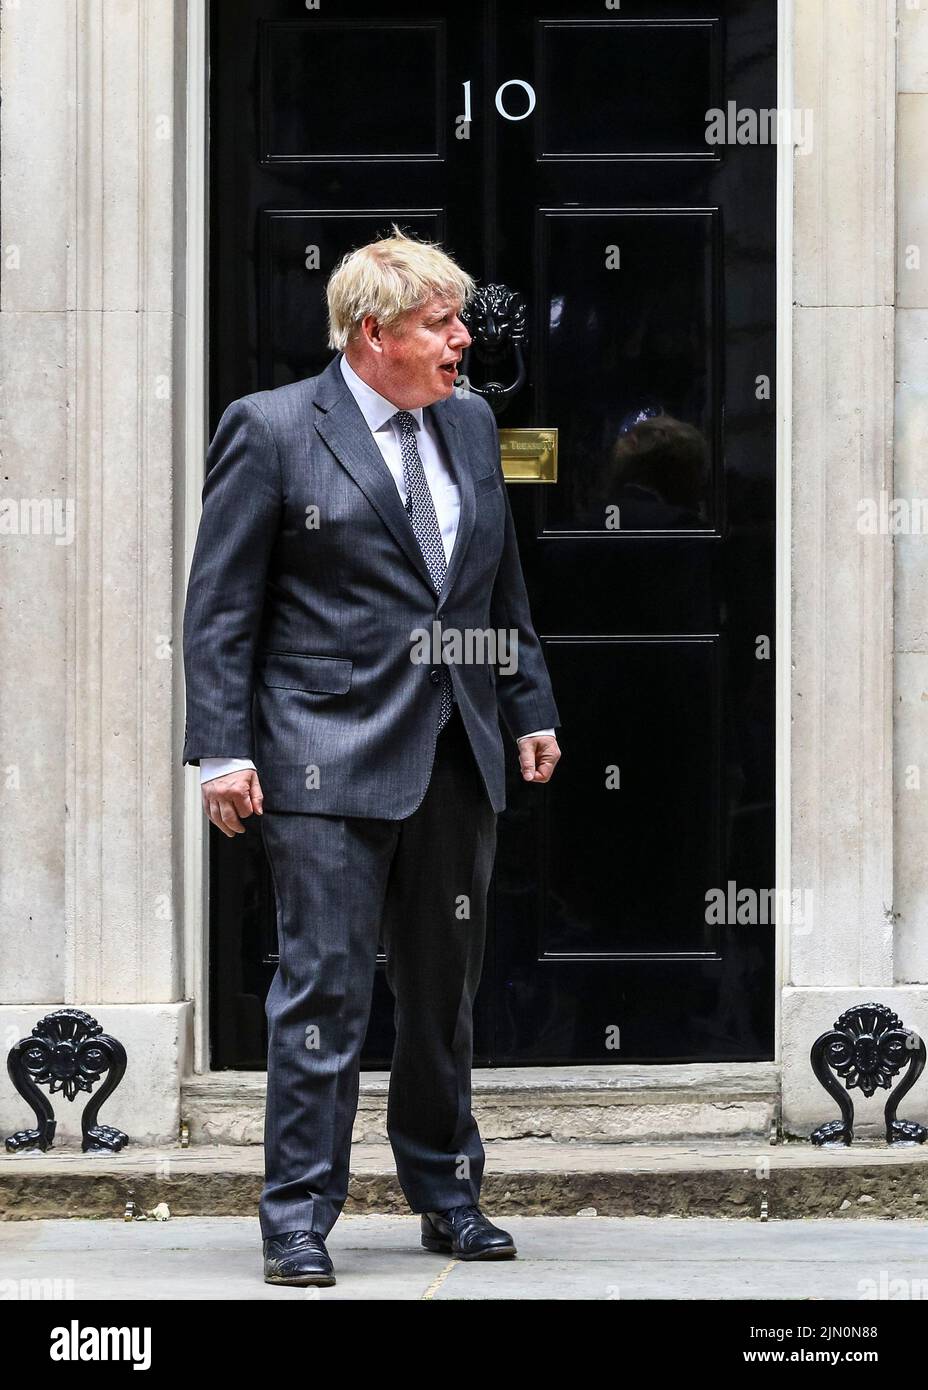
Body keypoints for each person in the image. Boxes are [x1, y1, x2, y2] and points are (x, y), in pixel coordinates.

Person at [182, 226, 561, 1286]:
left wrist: (527, 704)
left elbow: (497, 585)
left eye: (459, 322)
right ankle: (297, 1215)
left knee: (443, 990)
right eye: (441, 324)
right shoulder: (270, 432)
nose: (460, 342)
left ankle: (447, 1191)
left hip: (453, 750)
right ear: (371, 333)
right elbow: (219, 610)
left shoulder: (472, 423)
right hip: (321, 757)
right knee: (324, 992)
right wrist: (221, 751)